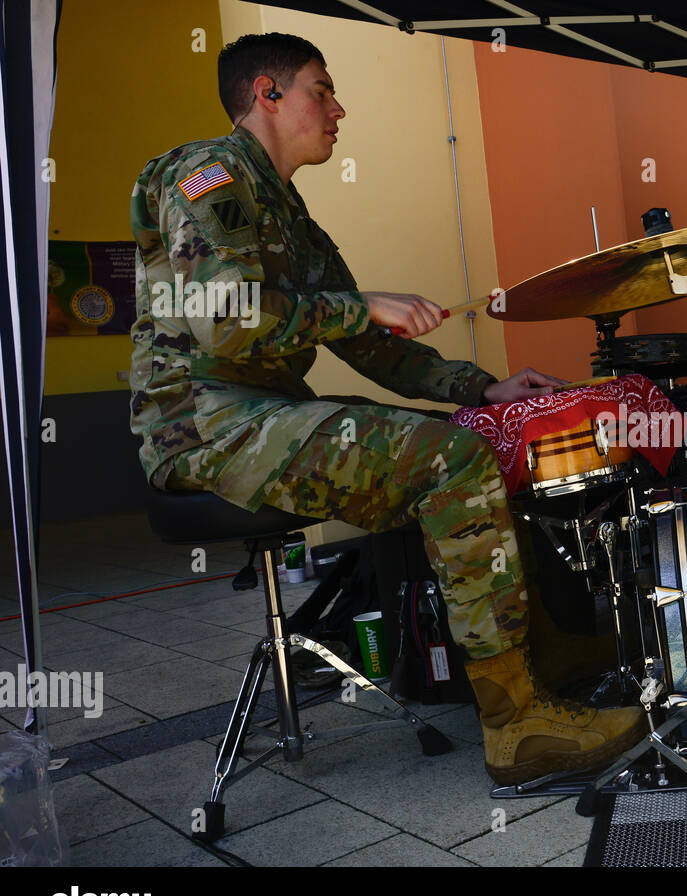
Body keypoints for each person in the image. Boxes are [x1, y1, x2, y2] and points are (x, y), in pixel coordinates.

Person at [127, 32, 644, 784]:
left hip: (259, 415)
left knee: (464, 437)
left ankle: (532, 670)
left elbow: (371, 343)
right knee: (455, 462)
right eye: (321, 89)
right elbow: (226, 315)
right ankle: (517, 727)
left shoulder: (291, 215)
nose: (338, 108)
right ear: (267, 93)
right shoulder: (206, 175)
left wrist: (479, 388)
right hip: (204, 427)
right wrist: (357, 304)